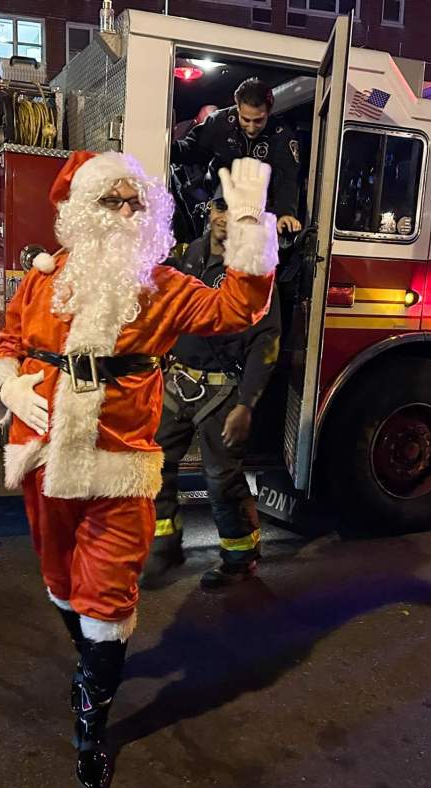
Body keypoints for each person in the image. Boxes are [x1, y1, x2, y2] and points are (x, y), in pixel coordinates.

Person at [0, 151, 277, 788]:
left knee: (109, 600)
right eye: (109, 202)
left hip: (120, 468)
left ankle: (92, 723)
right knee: (61, 584)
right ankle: (89, 662)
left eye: (133, 203)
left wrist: (251, 223)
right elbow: (8, 341)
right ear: (81, 211)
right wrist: (6, 385)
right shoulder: (44, 278)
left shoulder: (164, 286)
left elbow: (238, 311)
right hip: (43, 459)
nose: (122, 213)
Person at [141, 189, 280, 590]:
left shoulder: (255, 269)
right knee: (152, 466)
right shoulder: (190, 254)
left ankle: (240, 557)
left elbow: (266, 340)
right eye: (220, 207)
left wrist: (246, 405)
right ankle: (163, 545)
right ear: (210, 210)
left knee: (221, 478)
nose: (225, 217)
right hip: (178, 380)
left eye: (236, 212)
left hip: (223, 393)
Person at [172, 77, 303, 236]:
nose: (251, 127)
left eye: (258, 120)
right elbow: (192, 150)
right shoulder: (218, 123)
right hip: (222, 210)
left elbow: (288, 179)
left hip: (259, 216)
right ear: (237, 106)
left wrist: (285, 214)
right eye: (246, 119)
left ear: (269, 111)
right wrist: (167, 148)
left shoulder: (283, 136)